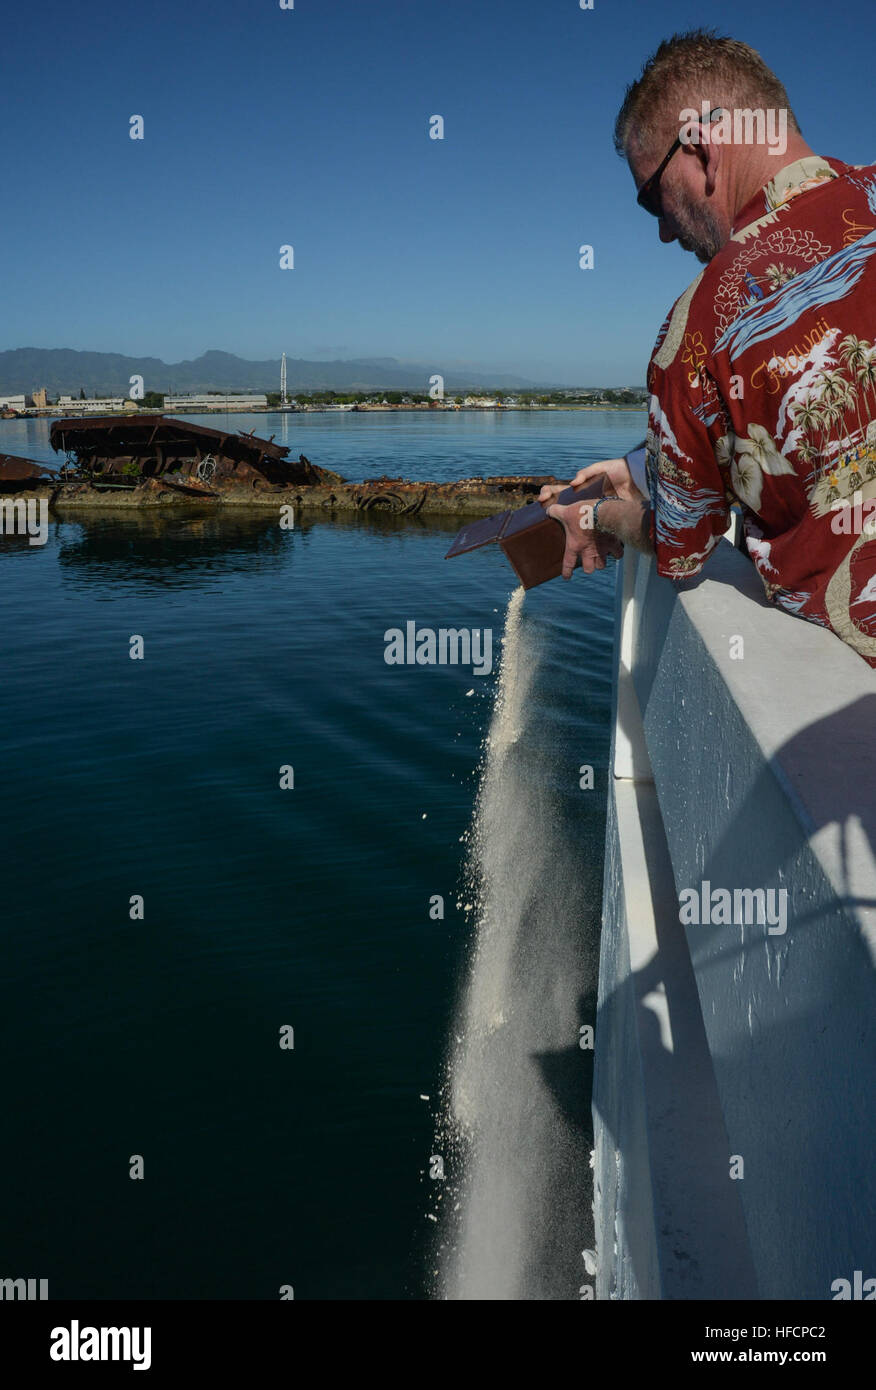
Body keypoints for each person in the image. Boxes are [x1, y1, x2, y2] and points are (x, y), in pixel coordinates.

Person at [540, 30, 876, 666]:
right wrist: (642, 467)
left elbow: (679, 544)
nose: (665, 232)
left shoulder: (696, 331)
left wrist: (594, 517)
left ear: (698, 146)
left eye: (651, 201)